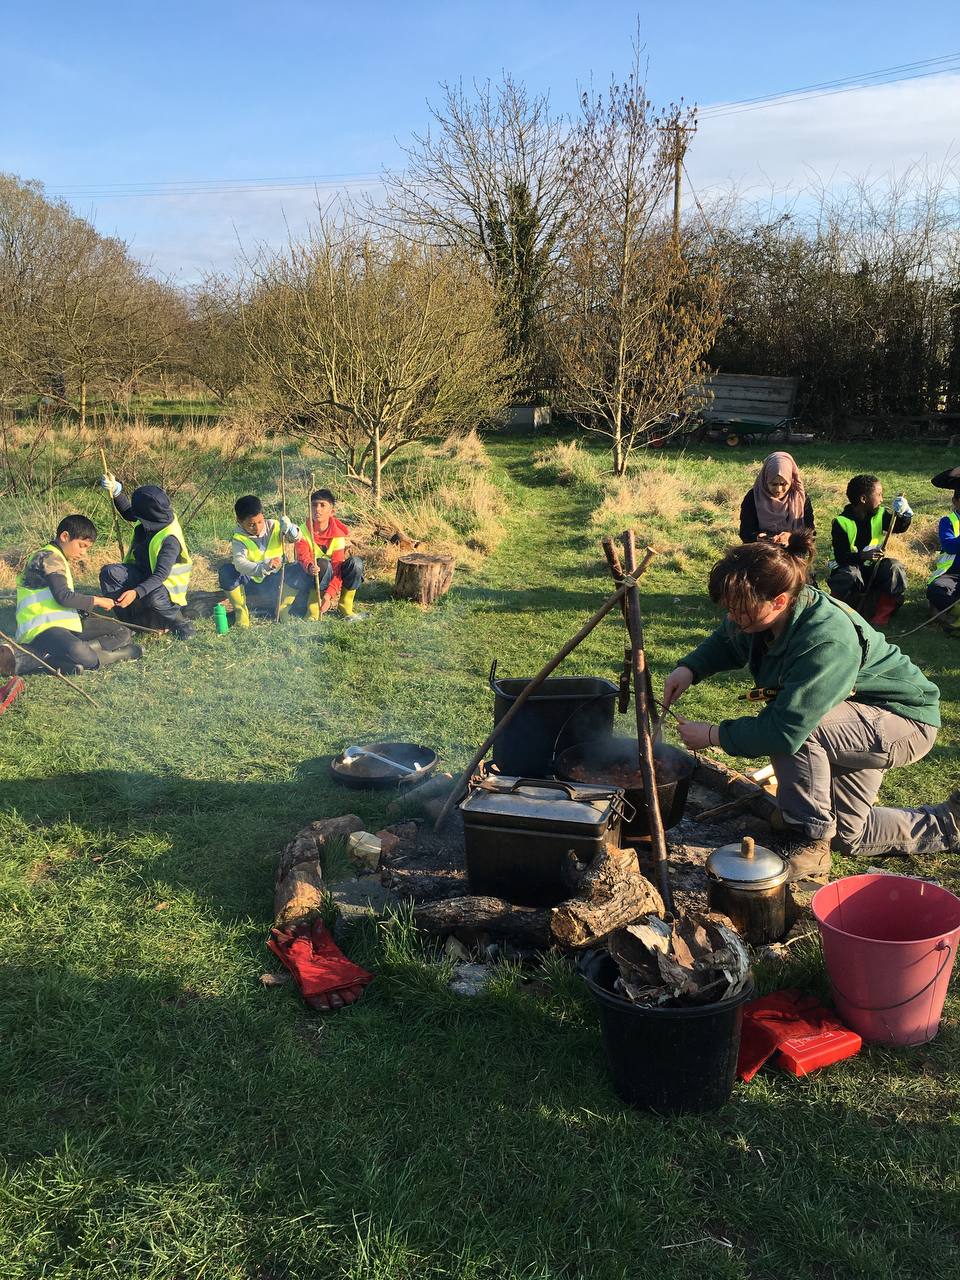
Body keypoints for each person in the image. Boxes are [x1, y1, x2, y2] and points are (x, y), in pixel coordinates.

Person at [662, 532, 958, 884]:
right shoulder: (759, 614)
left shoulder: (825, 638)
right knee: (850, 835)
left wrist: (713, 734)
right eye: (728, 607)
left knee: (802, 731)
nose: (733, 616)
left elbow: (785, 730)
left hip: (903, 720)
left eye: (740, 610)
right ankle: (951, 824)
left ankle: (809, 840)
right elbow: (729, 639)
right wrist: (690, 668)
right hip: (852, 714)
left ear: (780, 601)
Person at [15, 514, 141, 674]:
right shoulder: (47, 556)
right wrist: (97, 600)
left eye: (87, 548)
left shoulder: (58, 558)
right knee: (81, 652)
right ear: (65, 536)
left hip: (66, 624)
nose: (84, 553)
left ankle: (64, 660)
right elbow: (63, 597)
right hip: (43, 628)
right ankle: (115, 655)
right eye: (82, 545)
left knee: (121, 632)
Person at [98, 475, 194, 639]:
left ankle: (180, 623)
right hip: (142, 570)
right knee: (109, 573)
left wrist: (135, 592)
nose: (137, 519)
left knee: (154, 597)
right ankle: (131, 623)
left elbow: (160, 575)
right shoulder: (153, 516)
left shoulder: (170, 539)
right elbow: (129, 513)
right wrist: (116, 491)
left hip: (166, 585)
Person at [827, 473, 912, 627]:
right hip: (849, 567)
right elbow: (841, 557)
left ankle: (882, 614)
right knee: (849, 575)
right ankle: (839, 611)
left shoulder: (880, 514)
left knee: (895, 567)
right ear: (863, 499)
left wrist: (905, 513)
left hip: (872, 568)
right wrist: (862, 555)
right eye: (878, 495)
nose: (881, 499)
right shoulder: (841, 522)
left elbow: (899, 526)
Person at [219, 495, 308, 626]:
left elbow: (295, 539)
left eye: (260, 522)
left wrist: (291, 530)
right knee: (226, 571)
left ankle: (283, 609)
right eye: (251, 525)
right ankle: (241, 612)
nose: (257, 527)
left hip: (277, 580)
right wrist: (263, 567)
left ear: (263, 515)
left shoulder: (274, 526)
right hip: (251, 582)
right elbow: (240, 564)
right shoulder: (238, 538)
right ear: (239, 520)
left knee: (297, 567)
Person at [294, 488, 366, 621]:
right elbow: (303, 557)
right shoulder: (302, 531)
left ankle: (345, 606)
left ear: (332, 512)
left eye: (322, 505)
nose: (318, 509)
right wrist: (310, 566)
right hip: (308, 576)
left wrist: (329, 596)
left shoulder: (338, 534)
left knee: (356, 564)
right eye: (314, 505)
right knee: (322, 563)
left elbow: (337, 567)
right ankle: (313, 609)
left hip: (330, 575)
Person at [739, 451, 815, 545]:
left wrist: (791, 537)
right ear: (765, 480)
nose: (778, 489)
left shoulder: (800, 498)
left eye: (783, 484)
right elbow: (745, 532)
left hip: (793, 550)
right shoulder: (754, 496)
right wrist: (757, 537)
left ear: (791, 480)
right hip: (762, 550)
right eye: (773, 484)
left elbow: (810, 533)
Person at [927, 465, 960, 637]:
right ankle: (953, 613)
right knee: (936, 589)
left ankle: (947, 615)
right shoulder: (948, 521)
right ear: (955, 502)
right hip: (951, 575)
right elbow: (950, 545)